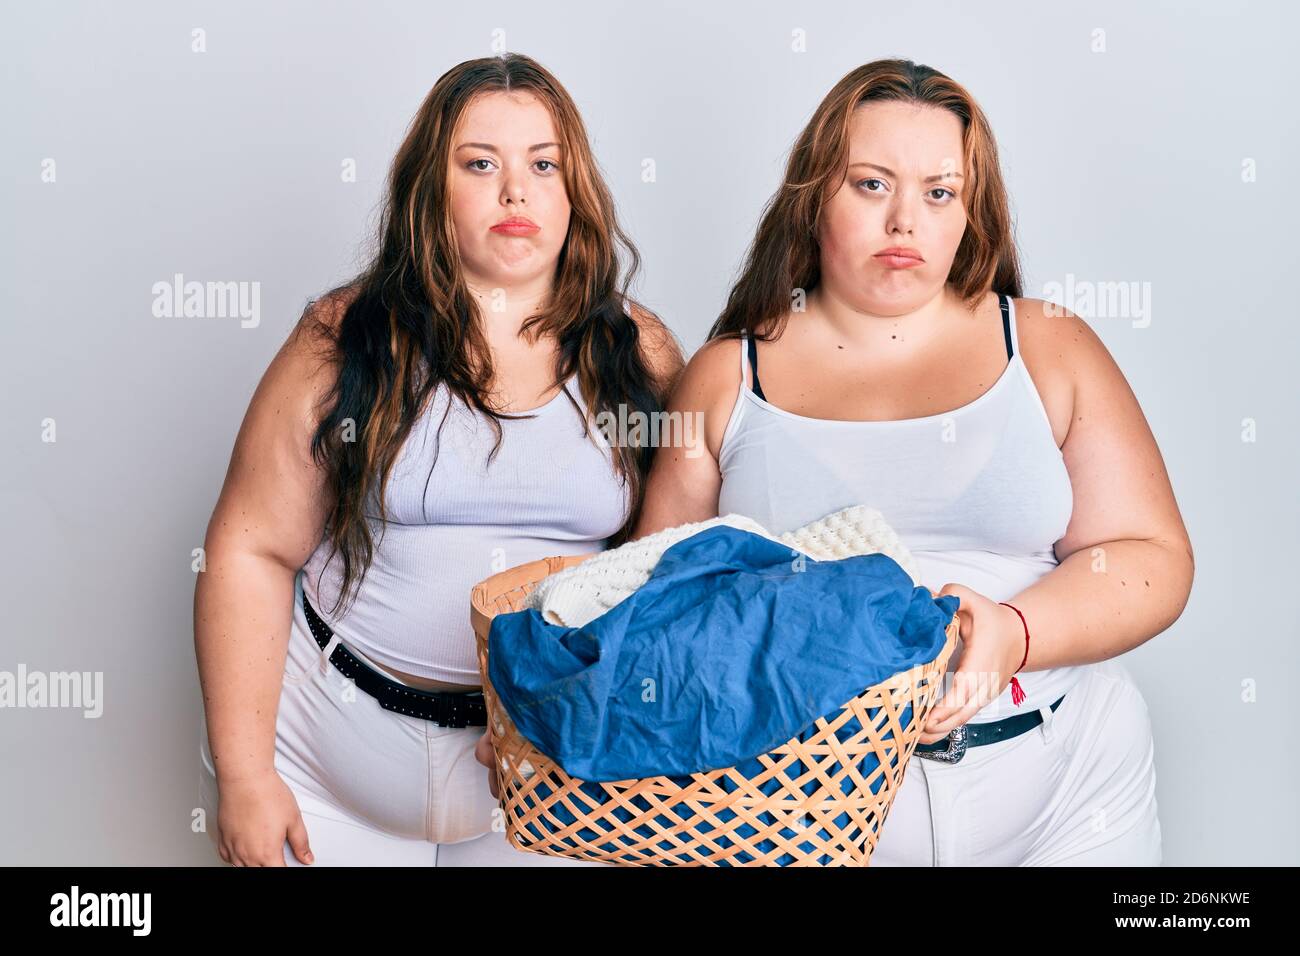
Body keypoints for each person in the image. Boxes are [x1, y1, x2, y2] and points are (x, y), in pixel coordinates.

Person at [615, 58, 1193, 865]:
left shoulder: (1049, 344)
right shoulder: (723, 377)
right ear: (815, 195)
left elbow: (1152, 558)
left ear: (970, 213)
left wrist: (1015, 633)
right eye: (871, 184)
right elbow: (651, 610)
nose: (905, 223)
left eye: (939, 192)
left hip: (1067, 787)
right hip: (798, 811)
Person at [194, 52, 683, 867]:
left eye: (543, 165)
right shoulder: (343, 335)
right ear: (433, 190)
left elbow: (682, 571)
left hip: (548, 770)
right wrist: (246, 778)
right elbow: (250, 547)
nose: (514, 190)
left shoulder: (641, 349)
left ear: (575, 194)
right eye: (480, 163)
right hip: (329, 755)